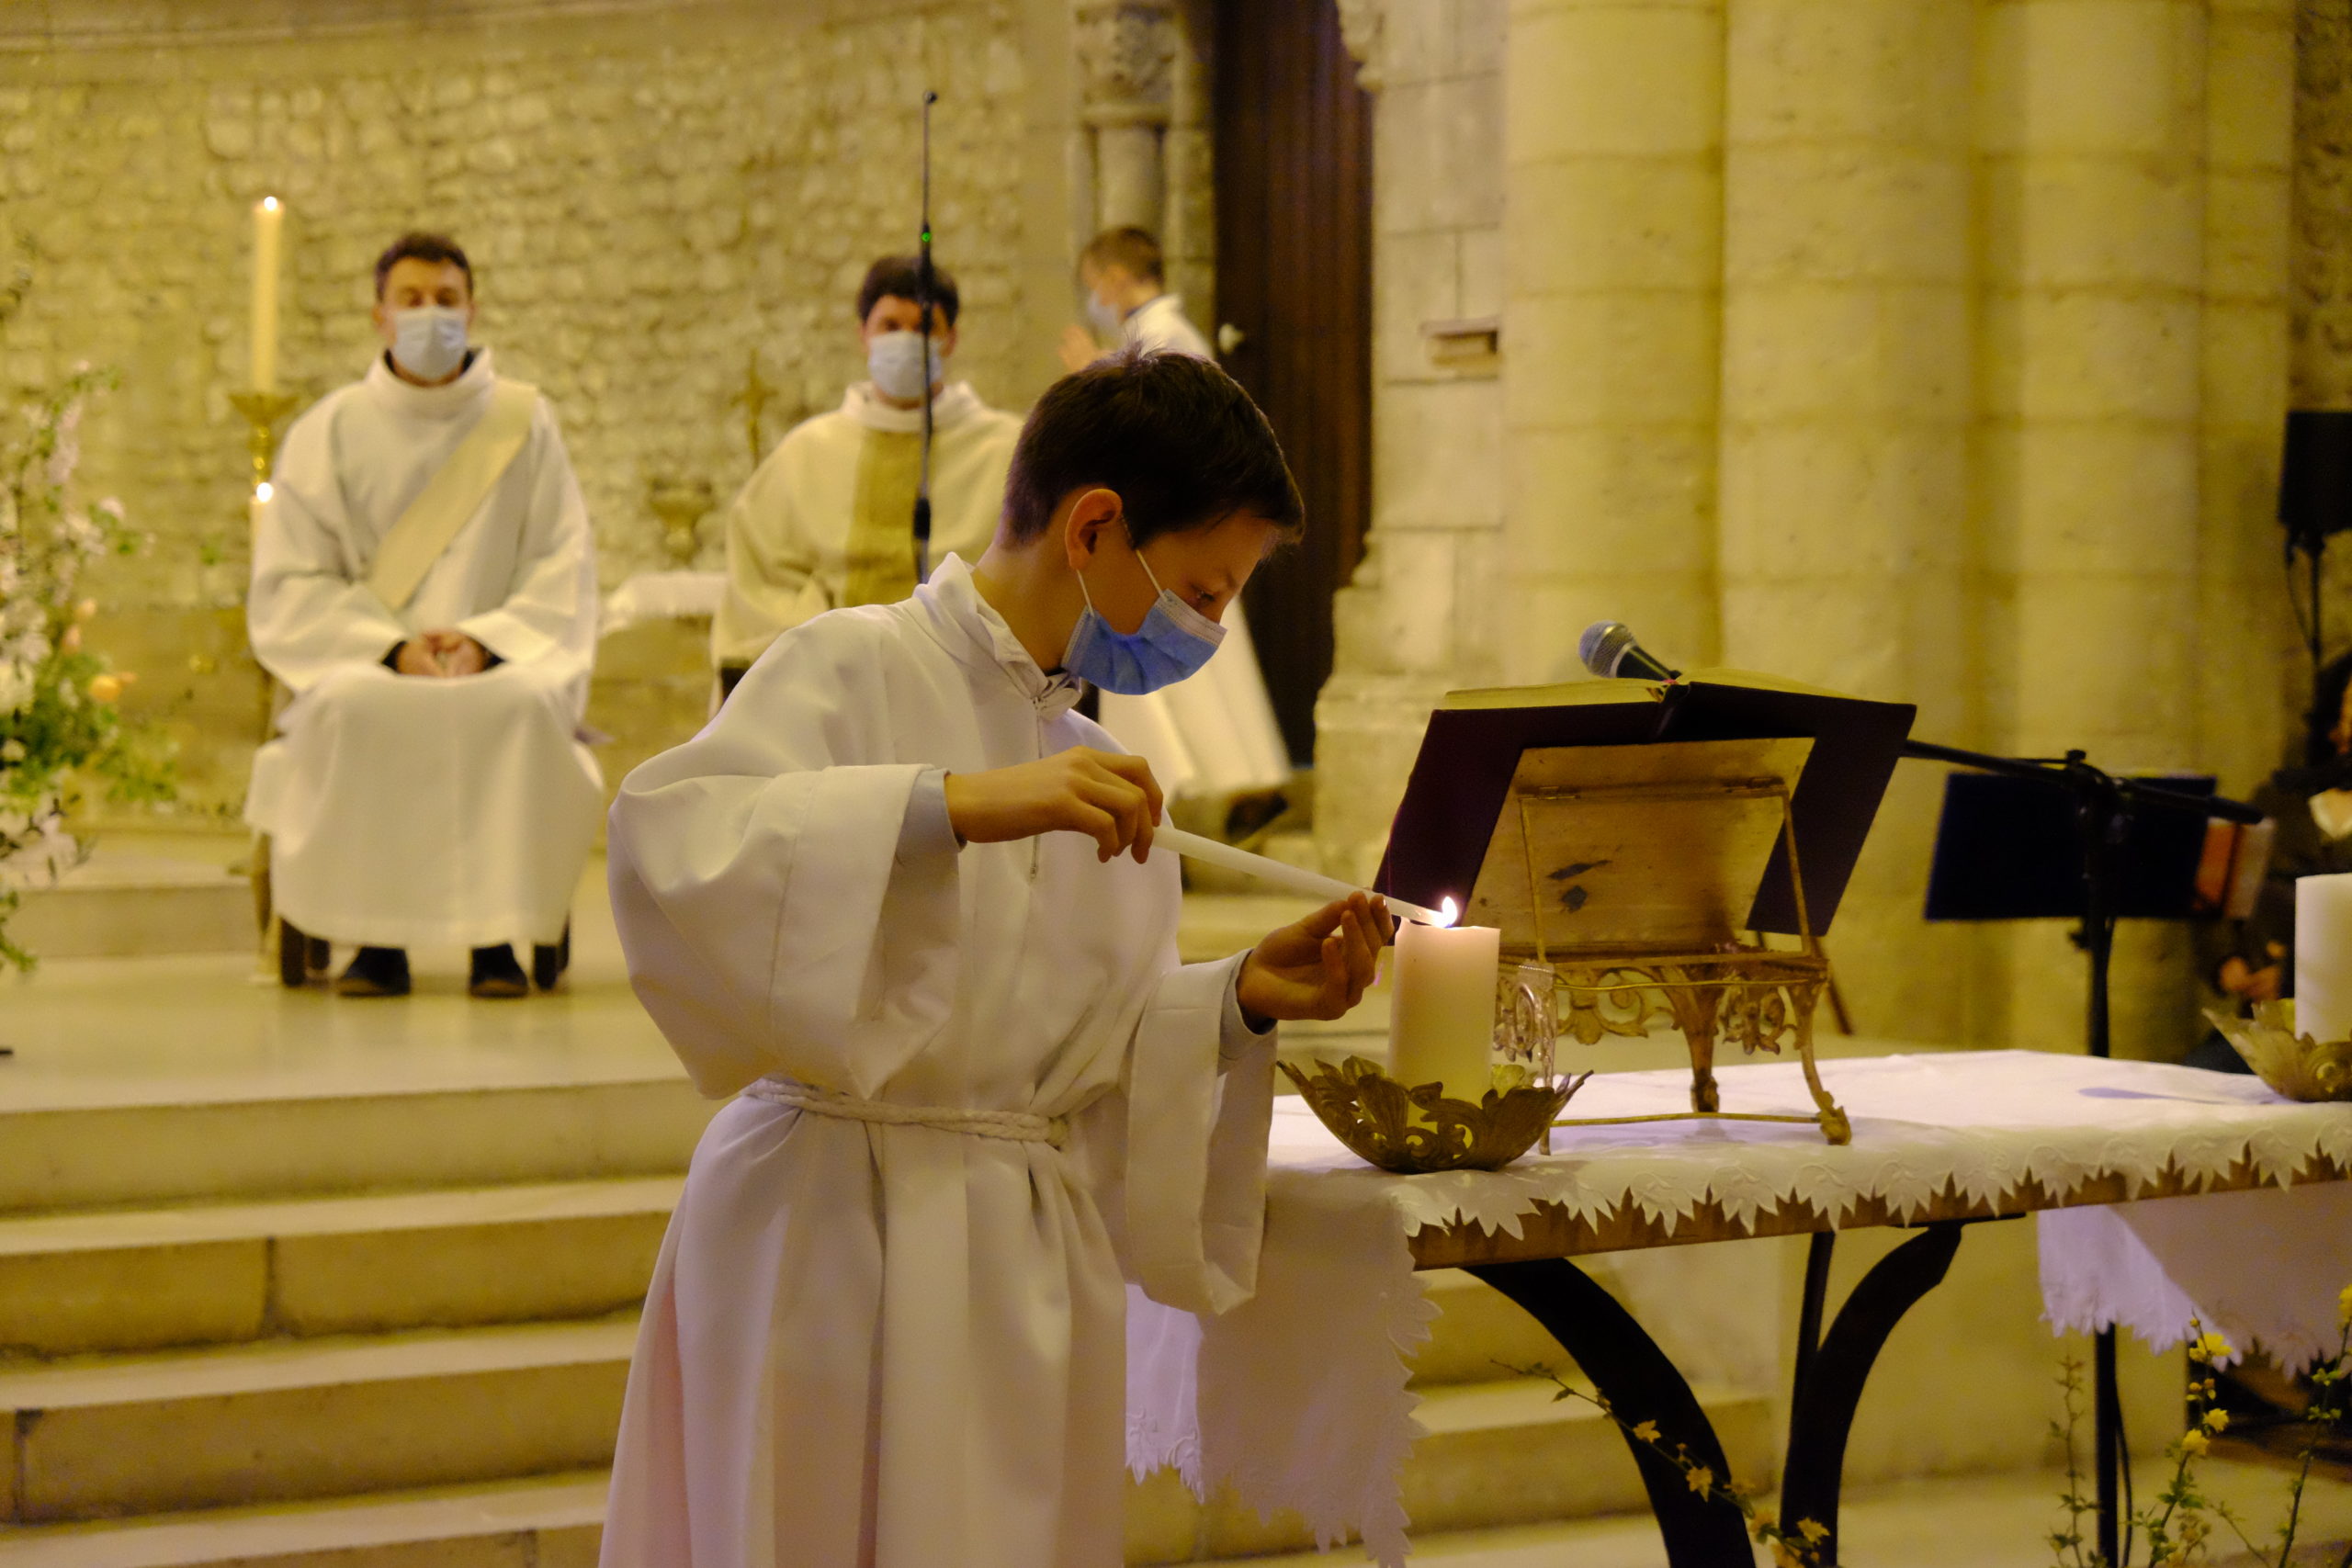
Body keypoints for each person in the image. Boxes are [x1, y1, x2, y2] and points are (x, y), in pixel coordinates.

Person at [599, 350, 1392, 1568]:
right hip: (825, 1236)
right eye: (1201, 587)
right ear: (1094, 526)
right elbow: (675, 848)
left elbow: (1072, 1064)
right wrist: (947, 804)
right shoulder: (848, 664)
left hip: (1015, 1268)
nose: (1207, 630)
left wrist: (1234, 998)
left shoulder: (1088, 761)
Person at [245, 231, 600, 1000]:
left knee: (521, 707)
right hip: (371, 661)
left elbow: (560, 560)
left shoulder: (525, 423)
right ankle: (374, 942)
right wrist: (388, 648)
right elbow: (292, 578)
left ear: (473, 311)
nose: (430, 315)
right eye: (411, 300)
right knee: (351, 705)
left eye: (446, 300)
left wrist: (484, 642)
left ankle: (499, 939)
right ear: (379, 315)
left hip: (496, 661)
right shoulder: (328, 430)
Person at [711, 255, 1021, 693]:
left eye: (923, 327)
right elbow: (759, 579)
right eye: (890, 327)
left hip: (970, 685)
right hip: (832, 684)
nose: (906, 340)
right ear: (863, 336)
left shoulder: (1008, 451)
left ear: (950, 339)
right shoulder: (807, 452)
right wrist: (833, 640)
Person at [2191, 651, 2352, 1069]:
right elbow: (2218, 891)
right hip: (2265, 1024)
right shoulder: (2278, 802)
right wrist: (2227, 958)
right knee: (2195, 1081)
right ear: (2336, 721)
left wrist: (2294, 979)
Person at [1057, 226, 1215, 371]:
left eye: (1094, 288)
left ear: (1114, 279)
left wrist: (1087, 375)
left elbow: (1142, 401)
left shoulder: (1157, 336)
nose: (1095, 302)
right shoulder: (1151, 331)